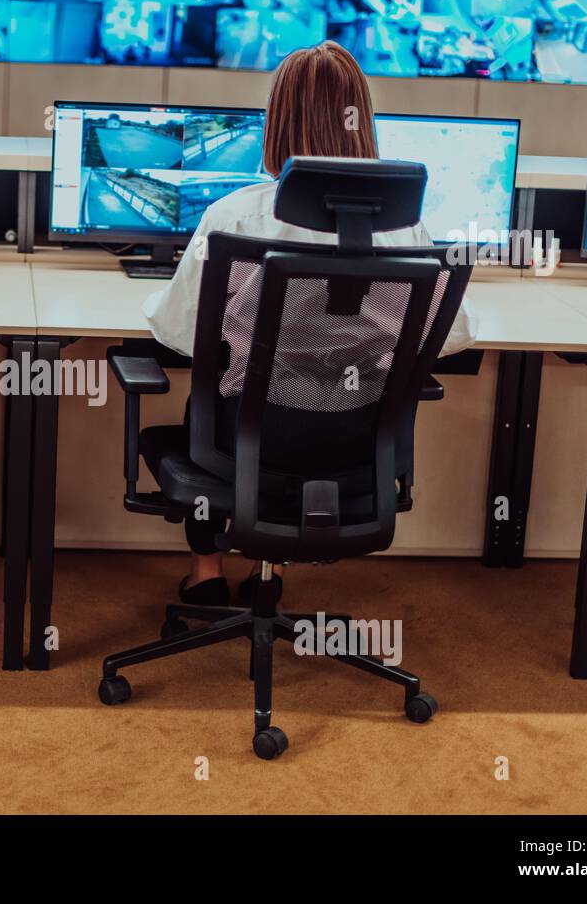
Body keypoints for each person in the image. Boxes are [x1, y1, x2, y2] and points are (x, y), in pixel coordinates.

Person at [142, 40, 477, 606]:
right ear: (361, 120)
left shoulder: (235, 216)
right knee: (279, 399)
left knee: (206, 406)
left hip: (245, 444)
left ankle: (207, 573)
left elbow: (178, 334)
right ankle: (269, 572)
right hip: (355, 447)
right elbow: (452, 337)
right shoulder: (408, 233)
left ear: (277, 121)